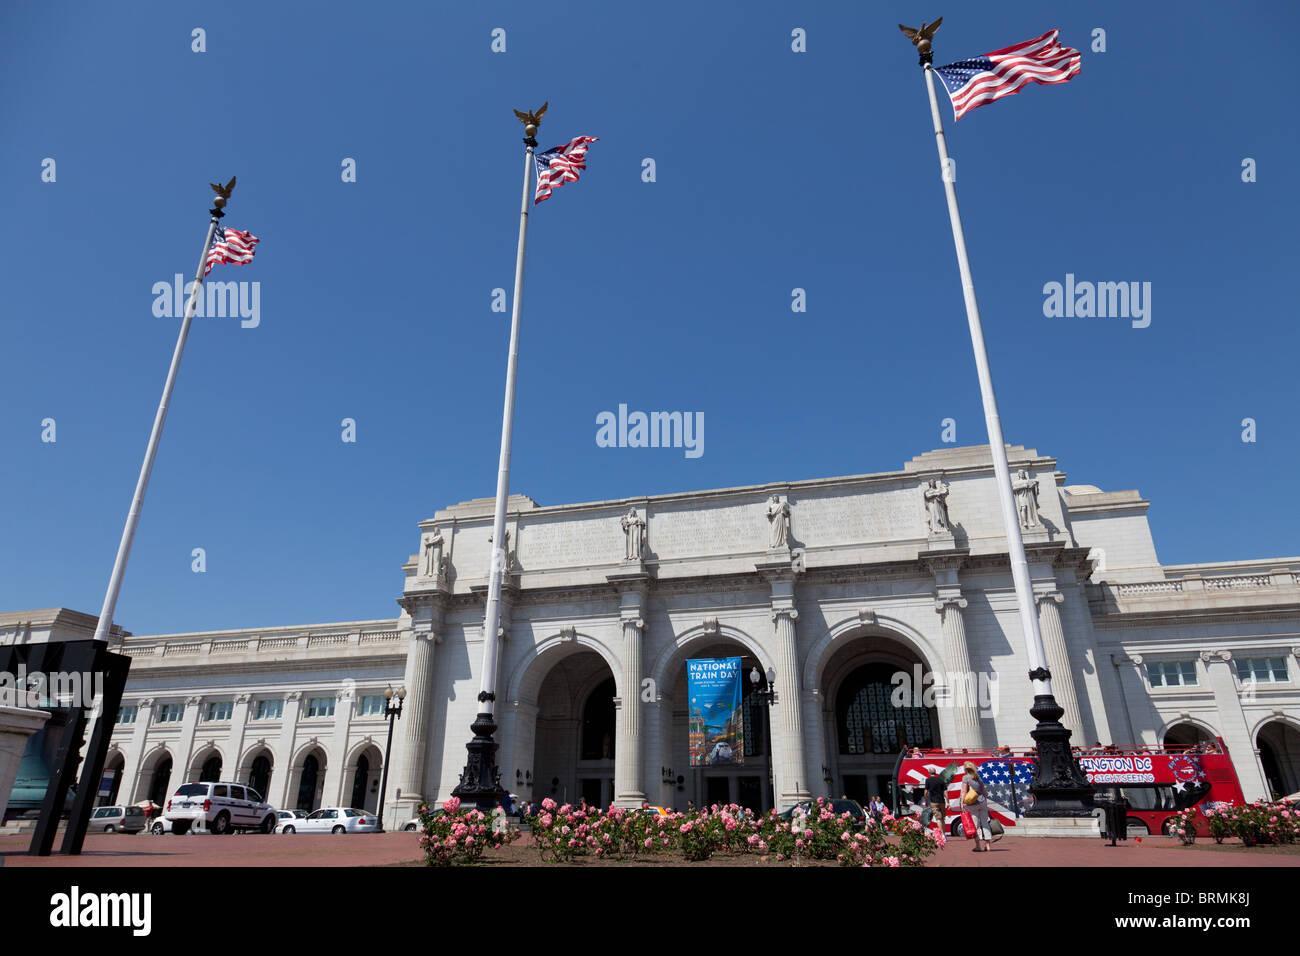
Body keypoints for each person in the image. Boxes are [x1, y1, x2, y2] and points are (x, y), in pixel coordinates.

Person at [961, 761, 992, 852]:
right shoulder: (978, 777)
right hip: (982, 802)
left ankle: (978, 846)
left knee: (975, 825)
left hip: (972, 804)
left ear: (965, 769)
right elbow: (984, 791)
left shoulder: (965, 778)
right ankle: (988, 845)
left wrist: (962, 803)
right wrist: (985, 802)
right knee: (985, 823)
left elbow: (964, 791)